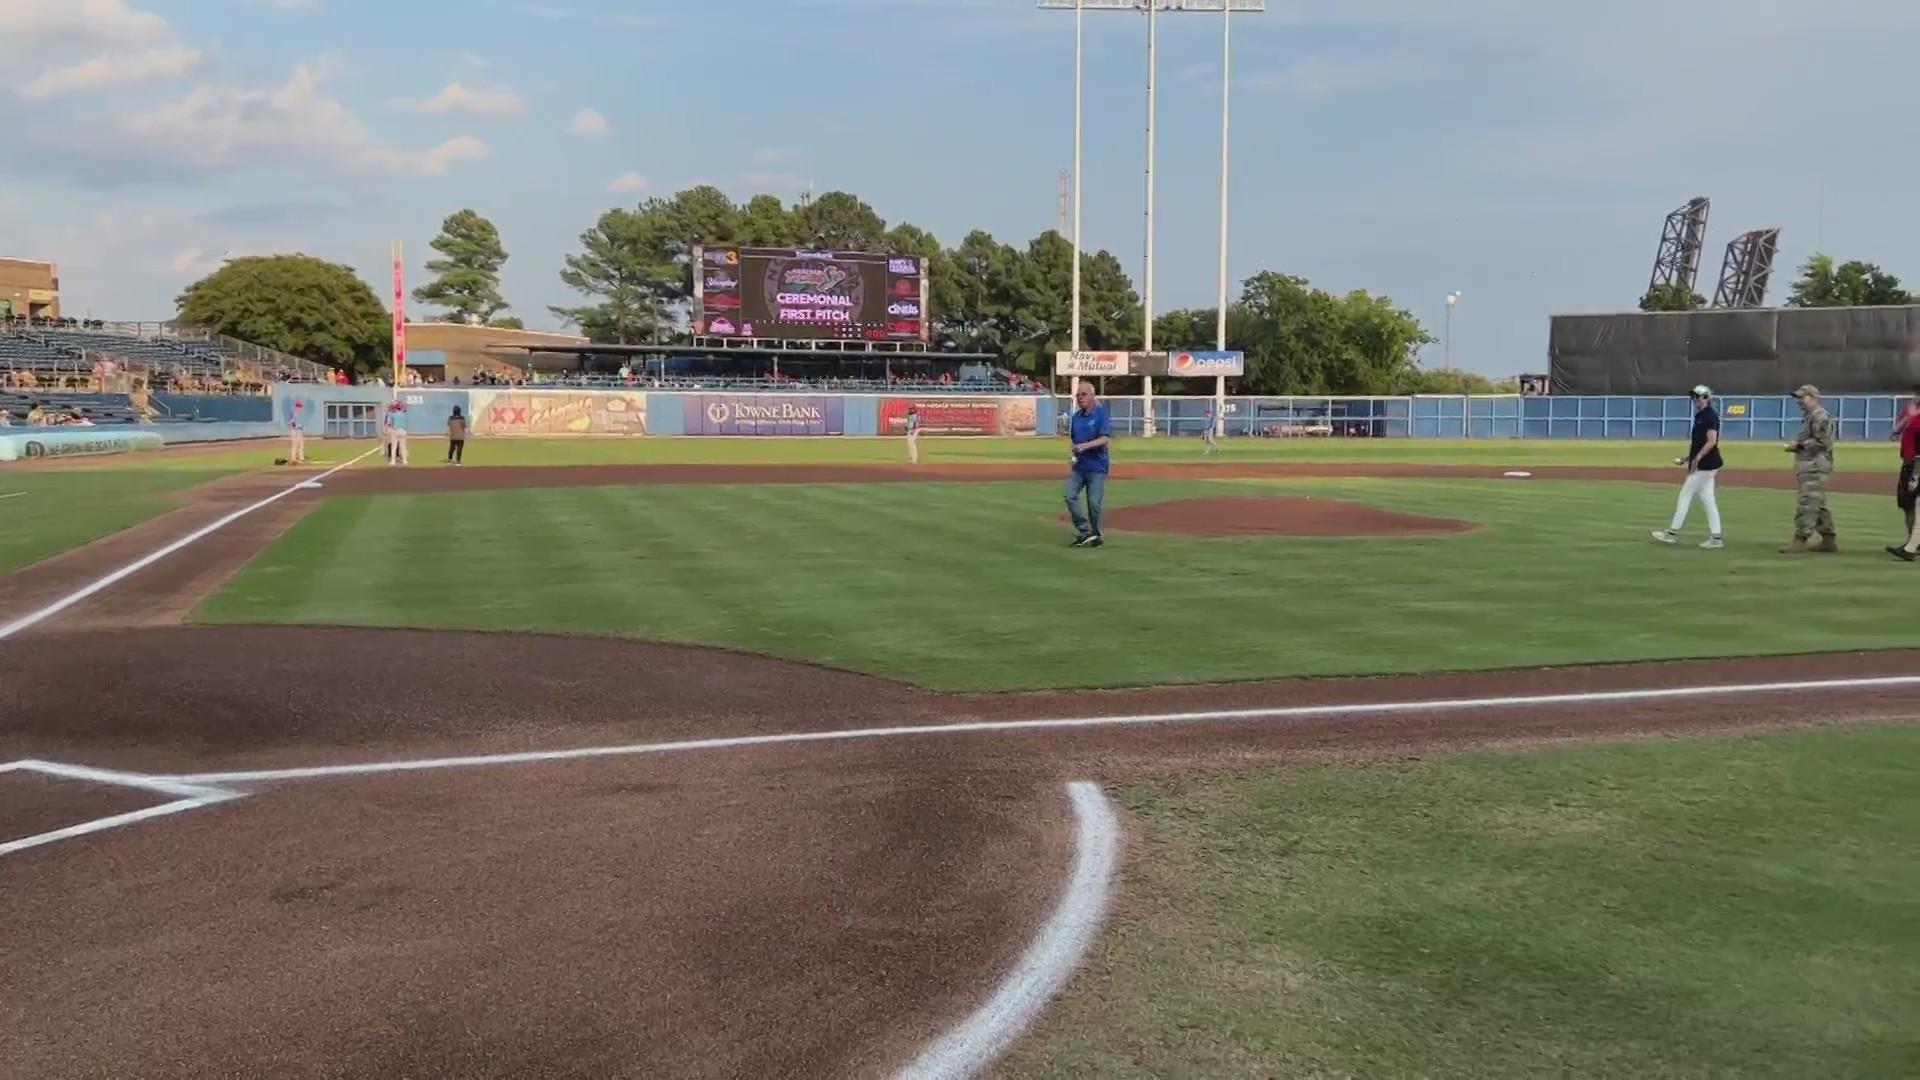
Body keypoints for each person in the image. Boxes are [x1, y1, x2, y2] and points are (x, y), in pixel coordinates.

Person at [1652, 385, 1724, 548]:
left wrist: (1696, 459)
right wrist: (1687, 458)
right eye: (1694, 397)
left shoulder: (1709, 416)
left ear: (1706, 397)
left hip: (1706, 464)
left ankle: (1672, 533)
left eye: (1698, 397)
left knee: (1685, 496)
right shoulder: (1701, 415)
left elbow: (1712, 441)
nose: (1695, 400)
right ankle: (1716, 537)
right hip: (1706, 464)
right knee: (1708, 500)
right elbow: (1699, 443)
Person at [1782, 384, 1837, 553]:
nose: (1799, 401)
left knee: (1808, 502)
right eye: (1798, 397)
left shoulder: (1820, 416)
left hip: (1816, 465)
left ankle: (1801, 538)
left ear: (1813, 397)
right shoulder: (1809, 416)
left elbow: (1823, 442)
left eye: (1802, 397)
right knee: (1817, 503)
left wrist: (1798, 445)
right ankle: (1828, 540)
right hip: (1809, 464)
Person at [1065, 383, 1111, 547]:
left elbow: (1105, 438)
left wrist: (1085, 446)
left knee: (1094, 503)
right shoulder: (1076, 417)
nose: (1080, 398)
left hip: (1097, 466)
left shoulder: (1100, 414)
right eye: (1078, 395)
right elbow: (1073, 439)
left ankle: (1097, 535)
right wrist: (1074, 451)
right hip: (1080, 466)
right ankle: (1085, 530)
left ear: (1092, 396)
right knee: (1069, 495)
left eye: (1084, 394)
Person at [1888, 385, 1920, 560]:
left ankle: (1911, 546)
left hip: (1916, 464)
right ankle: (1912, 542)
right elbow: (1898, 428)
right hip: (1909, 463)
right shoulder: (1910, 412)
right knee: (1907, 503)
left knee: (1915, 503)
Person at [385, 400, 410, 466]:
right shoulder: (404, 414)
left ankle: (393, 461)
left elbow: (389, 423)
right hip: (403, 430)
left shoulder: (393, 415)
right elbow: (406, 423)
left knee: (394, 446)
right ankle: (405, 461)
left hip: (395, 430)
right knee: (403, 447)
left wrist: (390, 429)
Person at [287, 400, 306, 465]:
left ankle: (301, 458)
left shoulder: (299, 414)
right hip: (295, 430)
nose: (300, 408)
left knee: (301, 444)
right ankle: (293, 459)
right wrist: (295, 427)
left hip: (298, 430)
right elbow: (292, 422)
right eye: (299, 407)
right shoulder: (295, 413)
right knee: (295, 444)